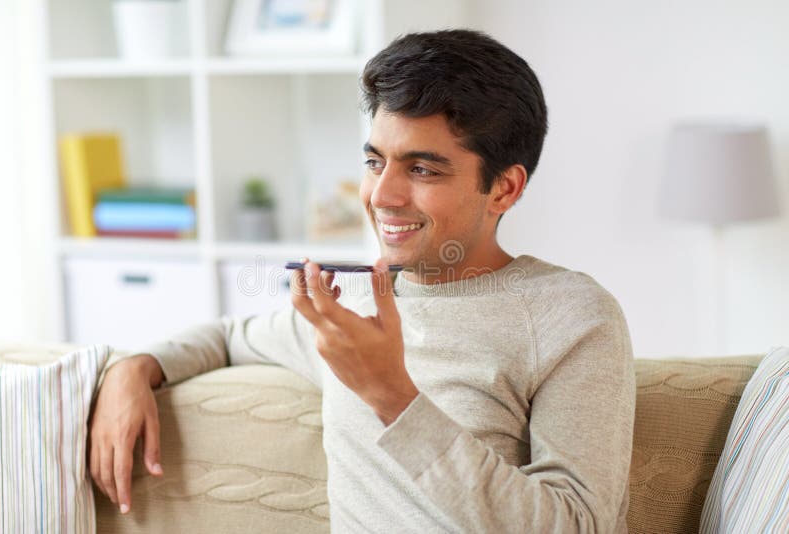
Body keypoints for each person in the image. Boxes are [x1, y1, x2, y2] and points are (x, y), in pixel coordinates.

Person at [89, 29, 636, 532]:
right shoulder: (347, 310)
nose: (382, 195)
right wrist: (133, 369)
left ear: (504, 190)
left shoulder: (571, 316)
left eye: (422, 169)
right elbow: (230, 338)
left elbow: (577, 524)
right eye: (376, 162)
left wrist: (393, 397)